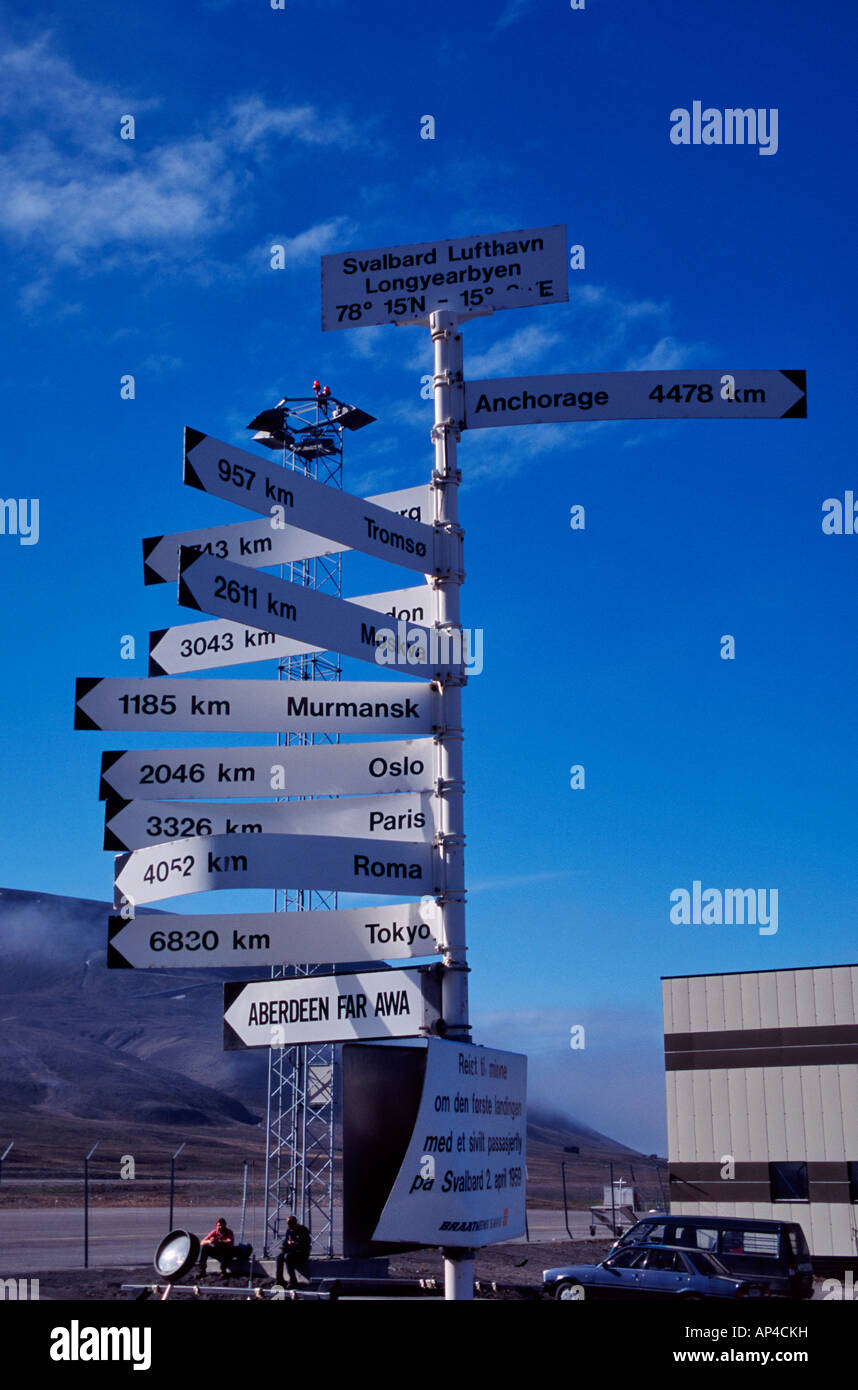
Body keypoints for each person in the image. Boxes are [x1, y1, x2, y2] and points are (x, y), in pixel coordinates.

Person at [275, 1215, 311, 1288]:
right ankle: (280, 1280)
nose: (289, 1227)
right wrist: (286, 1245)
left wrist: (295, 1243)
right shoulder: (289, 1230)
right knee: (279, 1257)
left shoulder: (303, 1230)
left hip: (301, 1253)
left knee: (288, 1257)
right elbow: (285, 1242)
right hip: (291, 1251)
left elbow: (306, 1244)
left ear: (294, 1223)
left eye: (291, 1225)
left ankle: (293, 1280)